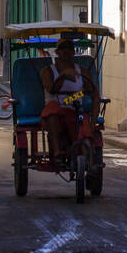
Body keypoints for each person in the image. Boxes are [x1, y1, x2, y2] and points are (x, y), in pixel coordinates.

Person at [39, 37, 97, 166]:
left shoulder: (83, 72)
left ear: (73, 52)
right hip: (55, 111)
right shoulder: (47, 71)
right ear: (57, 52)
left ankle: (91, 165)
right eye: (63, 49)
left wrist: (93, 123)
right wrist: (63, 75)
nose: (66, 52)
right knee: (53, 110)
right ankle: (57, 152)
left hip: (76, 111)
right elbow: (51, 90)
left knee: (86, 134)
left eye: (69, 49)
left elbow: (93, 94)